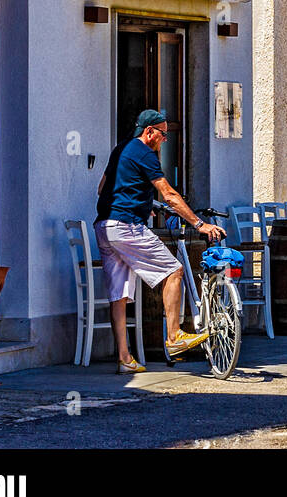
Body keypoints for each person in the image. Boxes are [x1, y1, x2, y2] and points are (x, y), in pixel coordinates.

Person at [95, 109, 226, 373]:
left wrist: (143, 204)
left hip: (105, 226)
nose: (165, 140)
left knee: (119, 295)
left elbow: (102, 189)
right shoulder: (145, 153)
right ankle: (175, 337)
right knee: (173, 271)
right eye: (163, 134)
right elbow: (169, 195)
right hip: (126, 226)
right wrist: (199, 224)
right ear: (150, 132)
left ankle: (124, 358)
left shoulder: (122, 149)